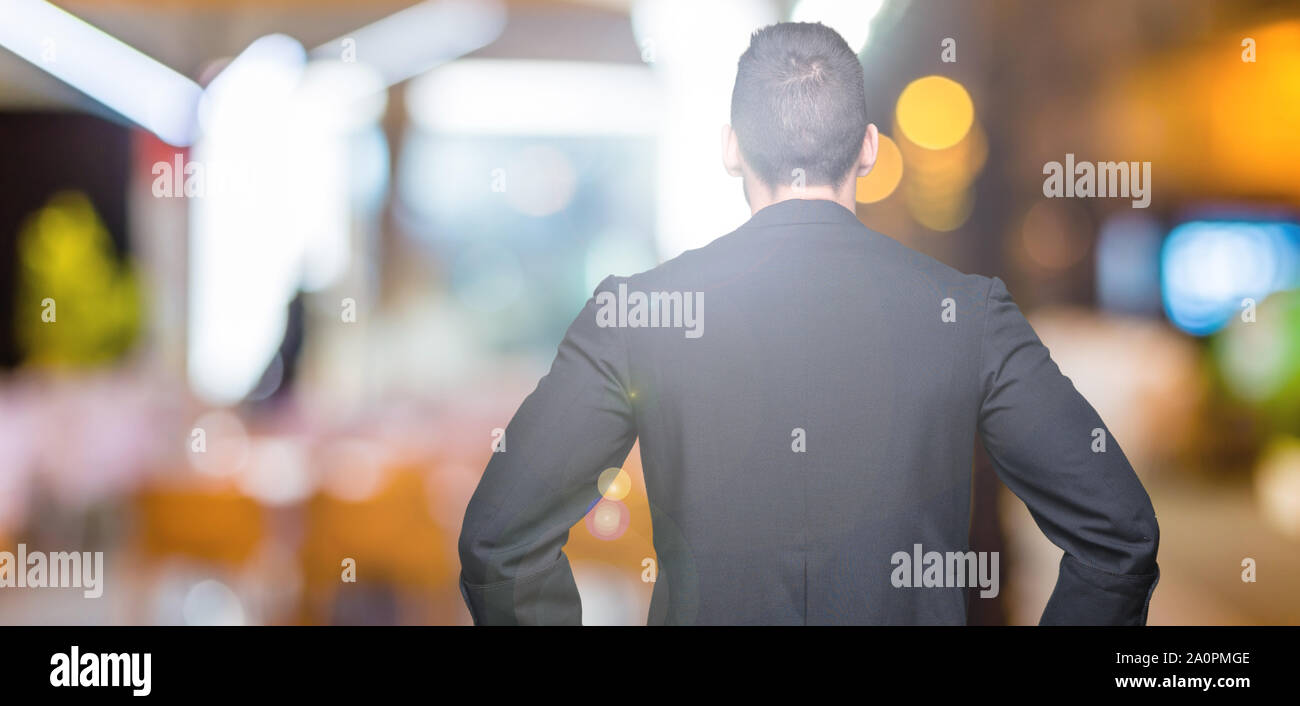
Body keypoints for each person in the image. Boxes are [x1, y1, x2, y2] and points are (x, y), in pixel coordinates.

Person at [457, 21, 1159, 625]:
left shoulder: (634, 315)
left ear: (732, 147)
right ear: (870, 148)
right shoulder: (969, 315)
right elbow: (1117, 537)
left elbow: (499, 540)